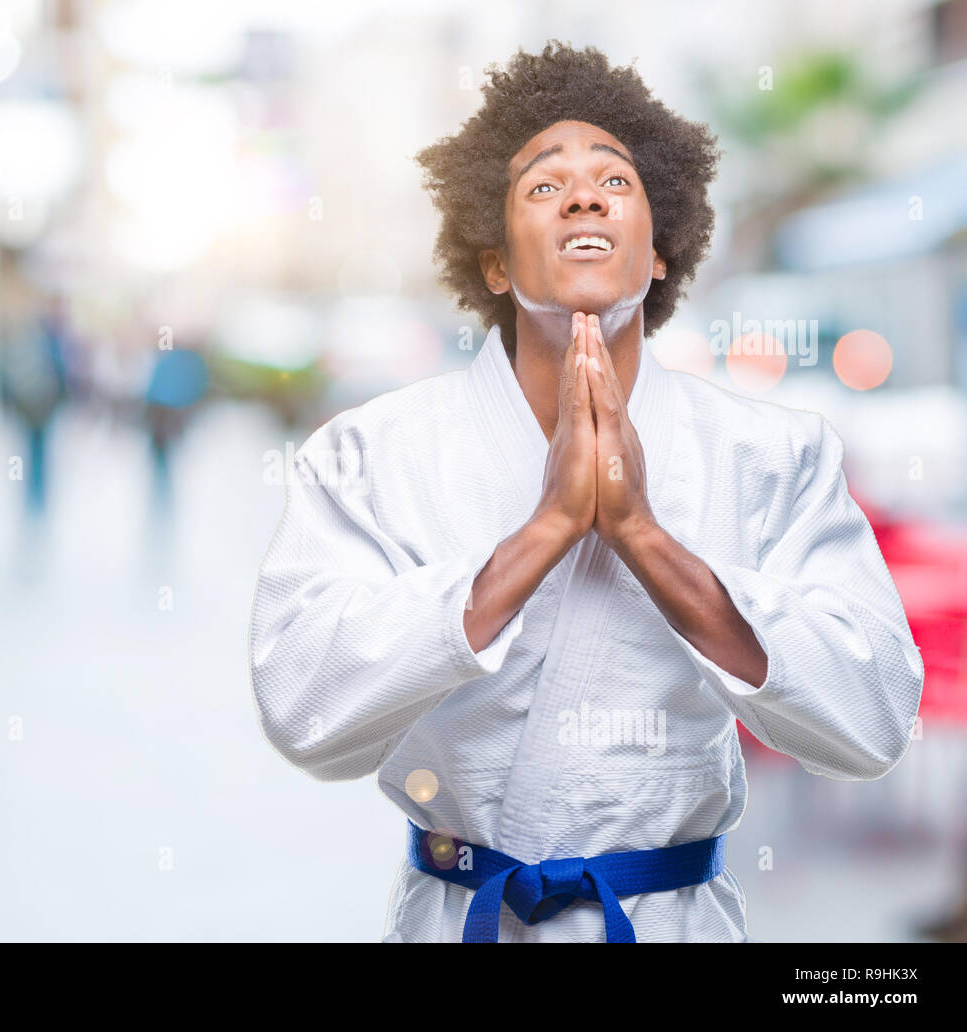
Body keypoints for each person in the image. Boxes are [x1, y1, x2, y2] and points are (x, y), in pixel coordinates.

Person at [246, 41, 924, 943]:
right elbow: (303, 713)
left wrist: (645, 536)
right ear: (492, 262)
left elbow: (872, 720)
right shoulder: (369, 453)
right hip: (462, 916)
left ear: (657, 253)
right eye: (541, 185)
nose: (583, 194)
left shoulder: (775, 453)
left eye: (616, 180)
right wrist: (544, 534)